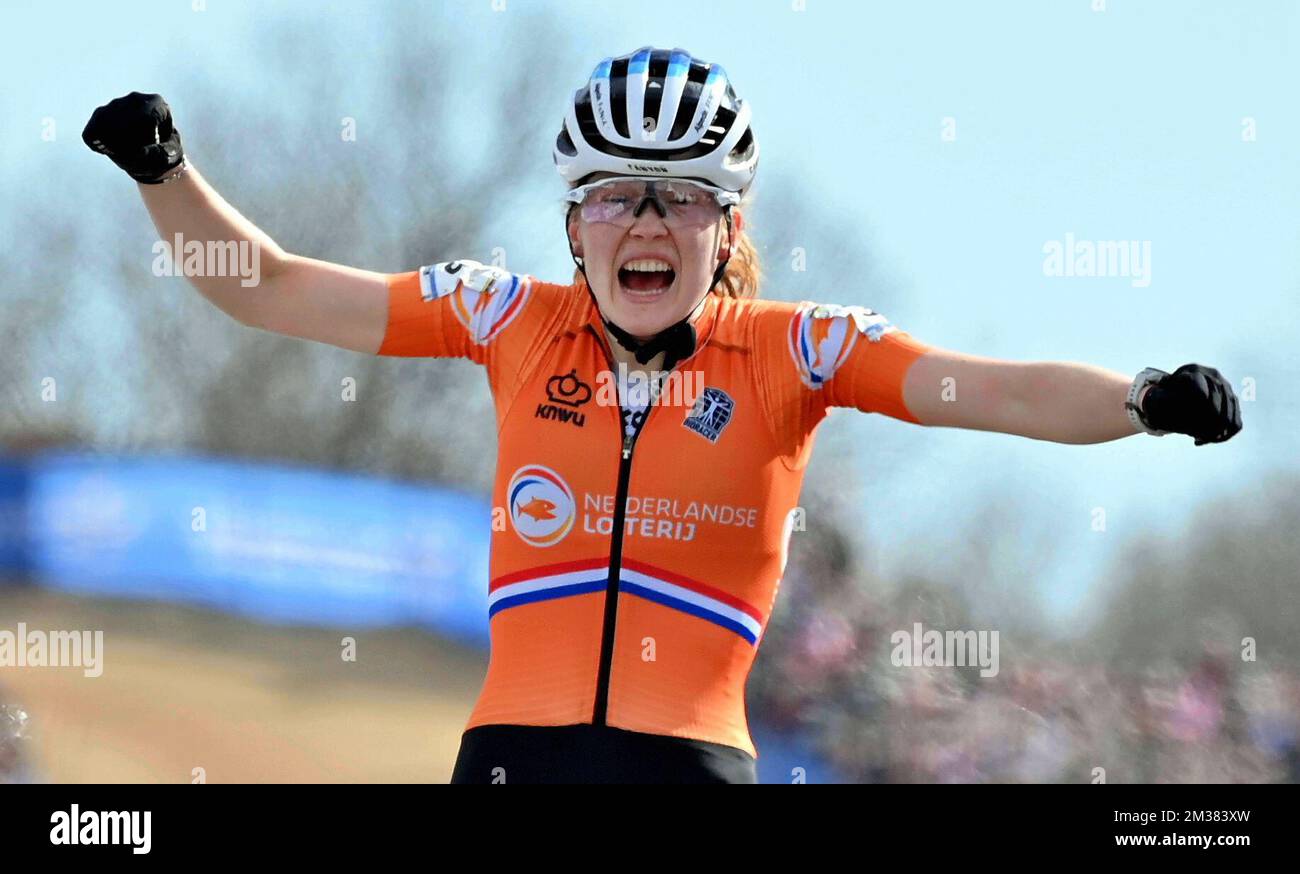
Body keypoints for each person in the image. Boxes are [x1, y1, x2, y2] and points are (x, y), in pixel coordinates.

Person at [82, 46, 1242, 784]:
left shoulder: (799, 350)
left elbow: (990, 389)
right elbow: (267, 287)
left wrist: (1139, 398)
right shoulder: (502, 318)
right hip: (507, 764)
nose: (645, 222)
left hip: (689, 767)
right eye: (611, 197)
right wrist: (165, 176)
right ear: (572, 223)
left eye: (682, 197)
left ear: (727, 227)